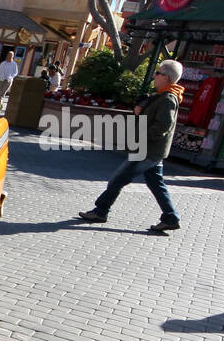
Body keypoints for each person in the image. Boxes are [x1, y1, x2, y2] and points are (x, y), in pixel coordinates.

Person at [77, 59, 185, 232]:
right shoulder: (162, 95)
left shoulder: (168, 98)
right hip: (152, 150)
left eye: (158, 73)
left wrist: (142, 137)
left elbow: (163, 126)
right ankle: (171, 217)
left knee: (118, 179)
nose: (155, 76)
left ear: (167, 77)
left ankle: (101, 211)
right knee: (157, 184)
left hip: (147, 150)